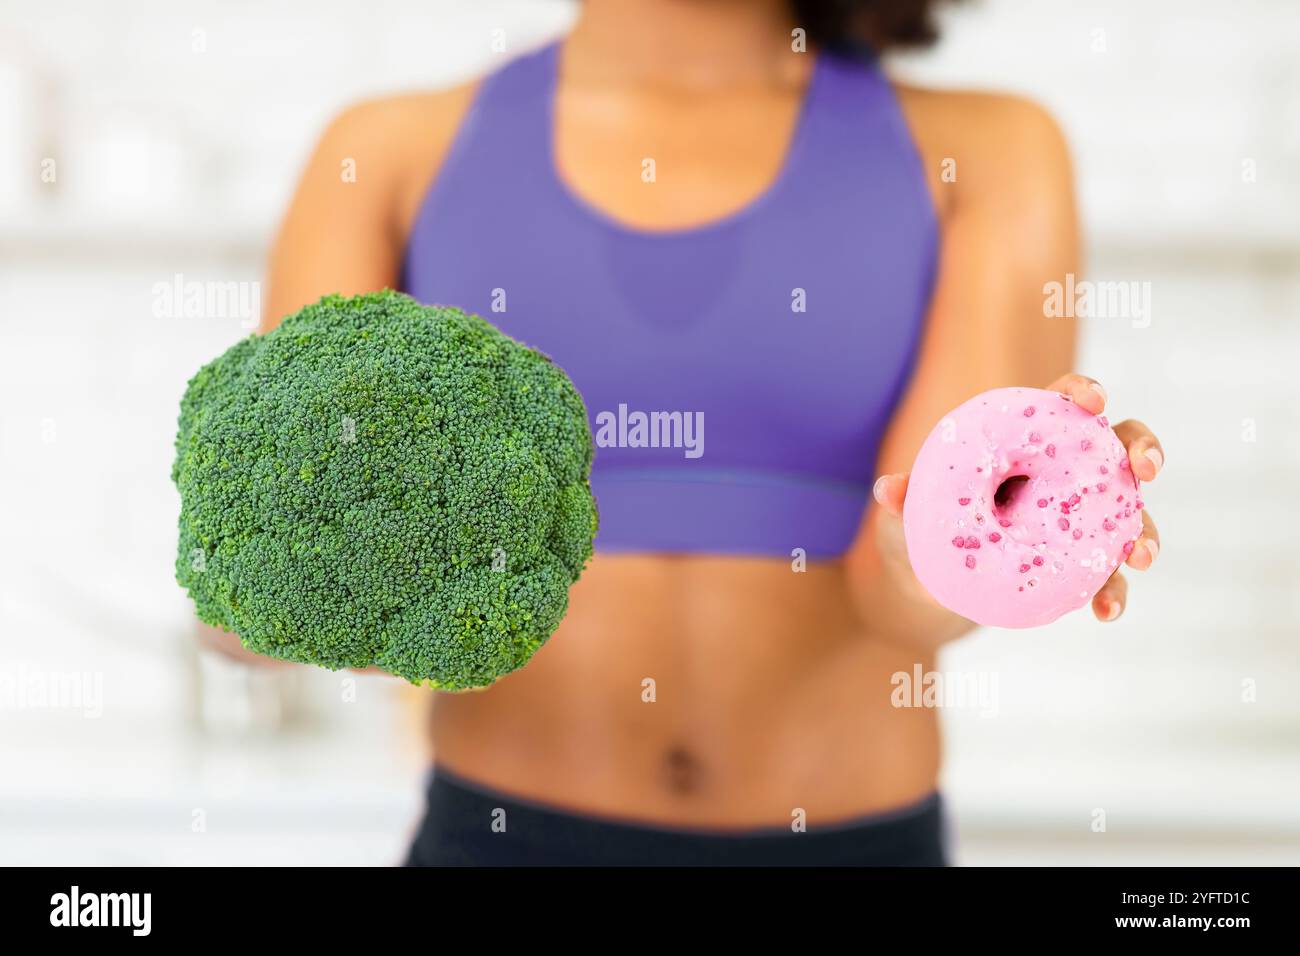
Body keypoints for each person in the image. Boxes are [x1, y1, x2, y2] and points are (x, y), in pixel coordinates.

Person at [225, 0, 1165, 865]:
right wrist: (267, 602)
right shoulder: (387, 150)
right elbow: (278, 535)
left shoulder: (987, 151)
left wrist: (951, 551)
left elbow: (909, 594)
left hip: (855, 846)